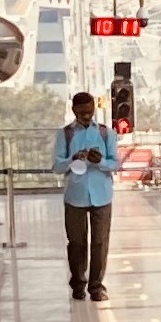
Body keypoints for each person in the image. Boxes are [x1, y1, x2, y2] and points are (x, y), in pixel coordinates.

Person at [55, 88, 119, 301]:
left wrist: (98, 161)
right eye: (81, 112)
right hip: (75, 195)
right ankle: (78, 284)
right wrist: (73, 158)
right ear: (73, 110)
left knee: (100, 242)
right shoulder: (65, 134)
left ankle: (96, 286)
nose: (85, 116)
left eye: (89, 112)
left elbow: (115, 164)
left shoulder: (106, 133)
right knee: (77, 242)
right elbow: (57, 166)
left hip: (102, 195)